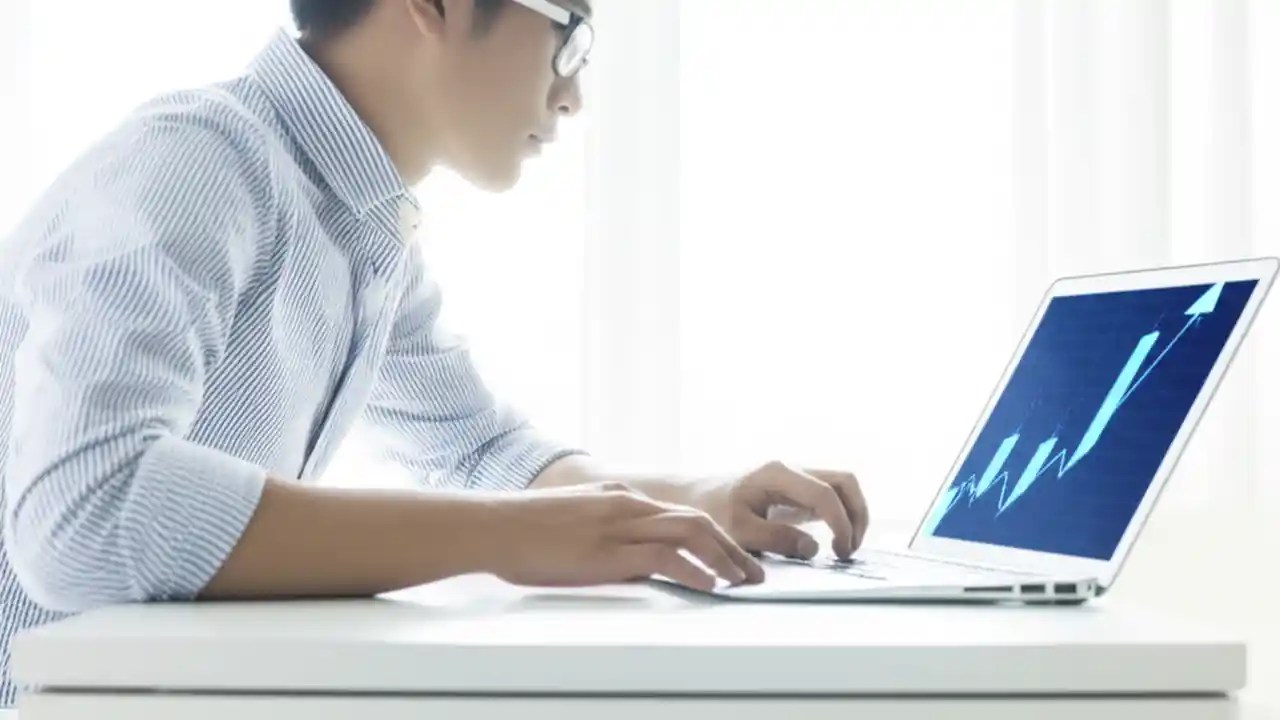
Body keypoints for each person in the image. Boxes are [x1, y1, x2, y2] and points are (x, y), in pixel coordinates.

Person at [0, 0, 870, 706]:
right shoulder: (194, 163)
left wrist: (692, 500)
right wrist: (502, 538)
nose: (574, 97)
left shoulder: (357, 220)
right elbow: (84, 511)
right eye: (571, 34)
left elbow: (478, 449)